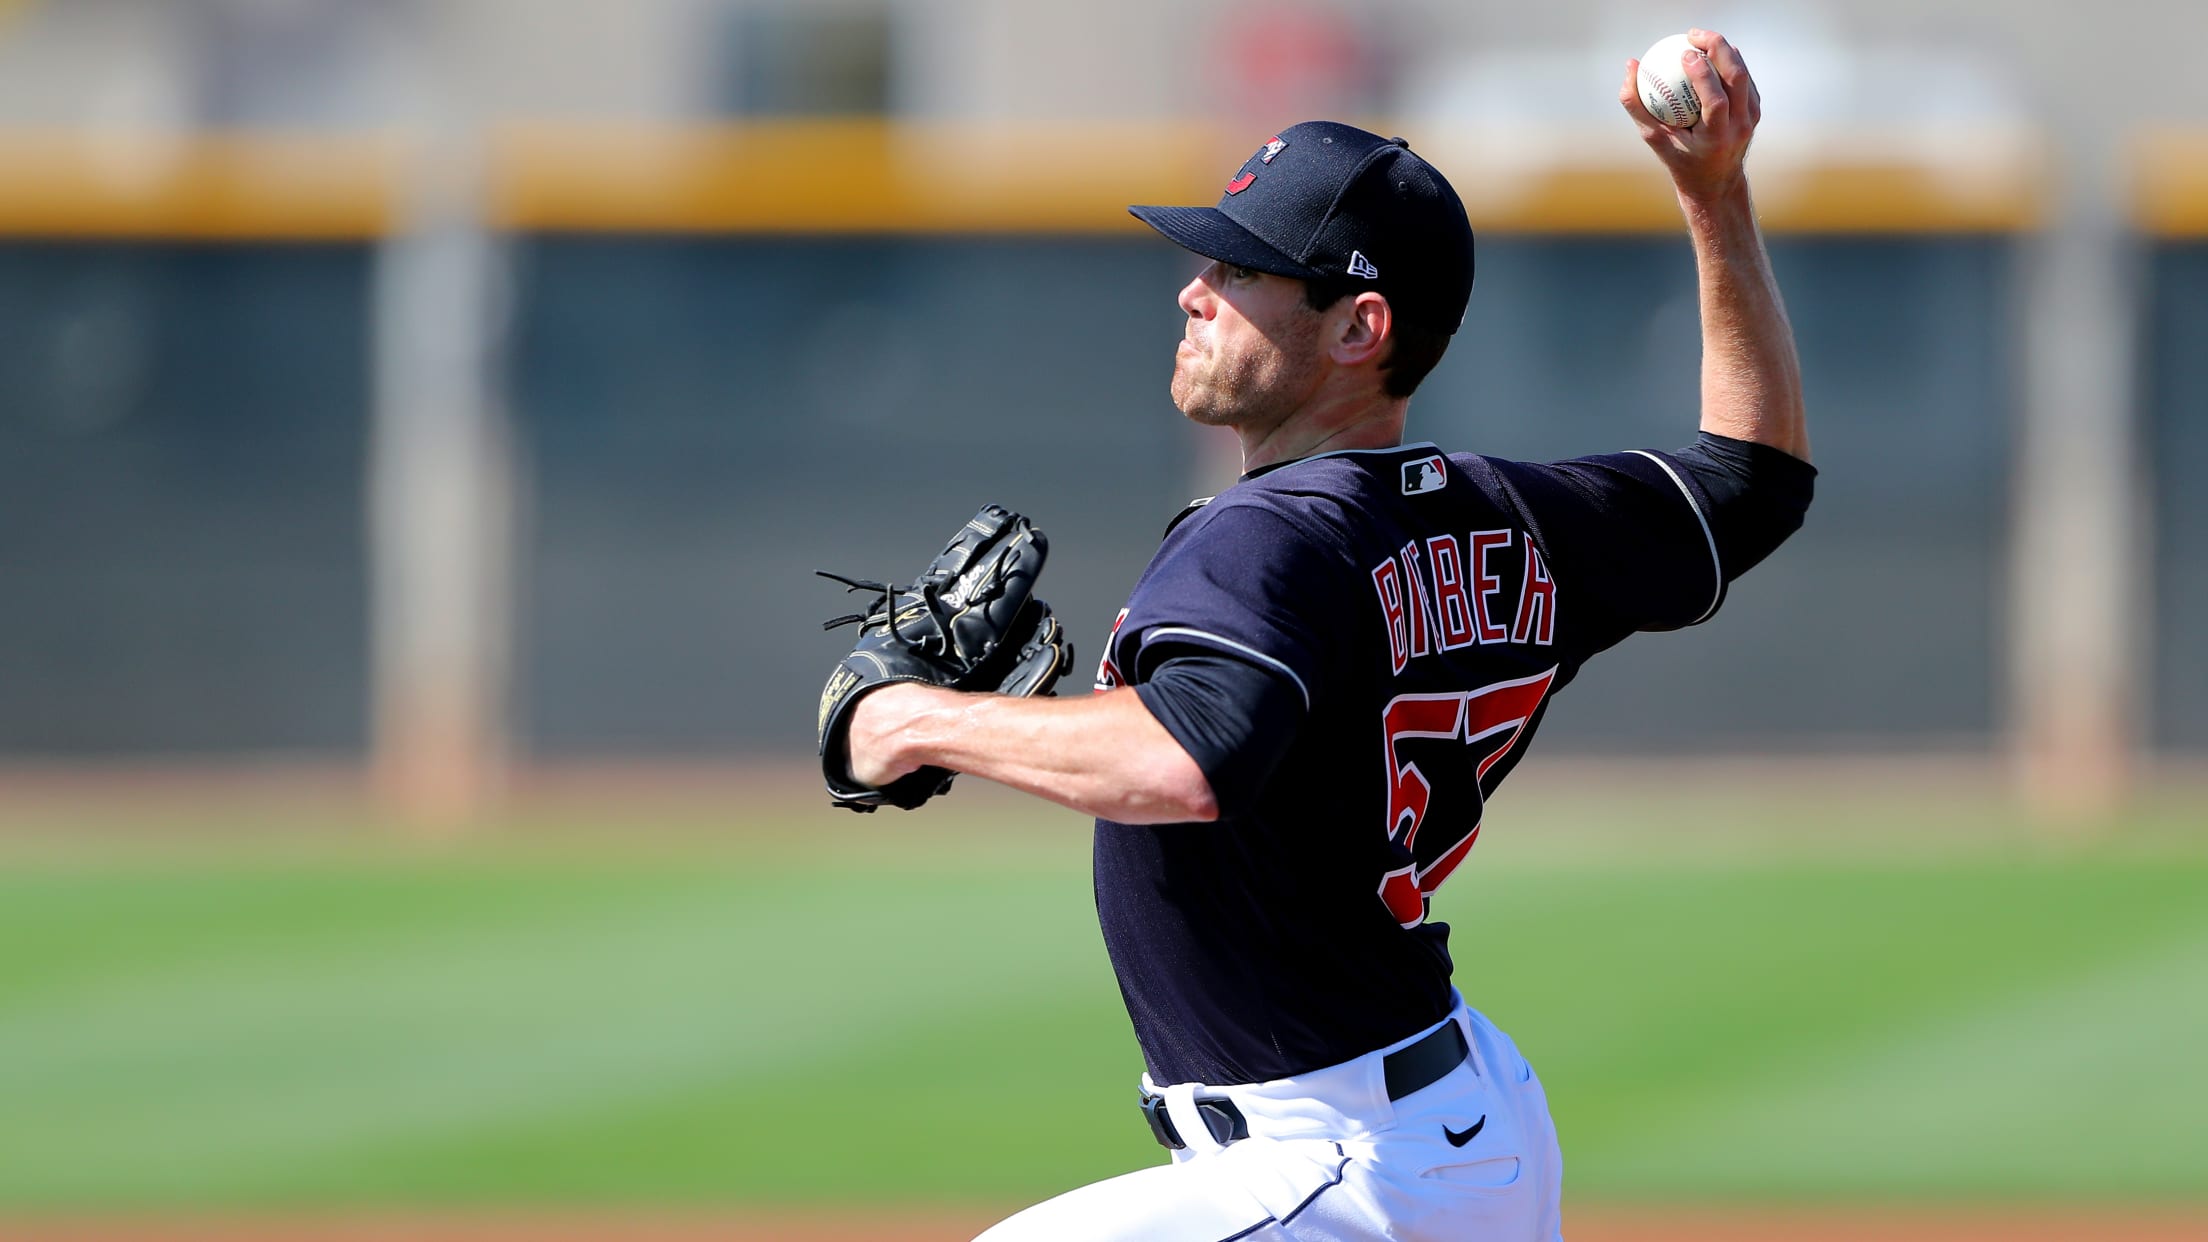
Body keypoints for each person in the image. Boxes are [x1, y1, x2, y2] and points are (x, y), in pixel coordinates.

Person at [843, 29, 1812, 1242]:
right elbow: (1753, 481)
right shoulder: (1511, 516)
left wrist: (909, 720)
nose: (1194, 290)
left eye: (1243, 271)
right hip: (1445, 1117)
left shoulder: (1266, 537)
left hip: (1337, 1161)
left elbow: (1186, 760)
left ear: (1359, 329)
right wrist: (1713, 197)